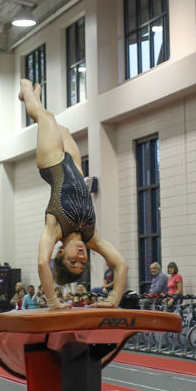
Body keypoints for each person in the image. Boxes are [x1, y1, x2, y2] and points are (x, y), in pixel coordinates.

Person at [18, 78, 127, 309]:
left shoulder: (55, 228)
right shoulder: (91, 236)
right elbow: (121, 265)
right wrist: (113, 300)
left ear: (59, 254)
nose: (80, 257)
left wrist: (54, 302)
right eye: (82, 263)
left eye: (72, 261)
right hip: (76, 167)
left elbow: (41, 263)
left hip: (52, 163)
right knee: (62, 129)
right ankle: (34, 101)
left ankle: (25, 91)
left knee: (47, 118)